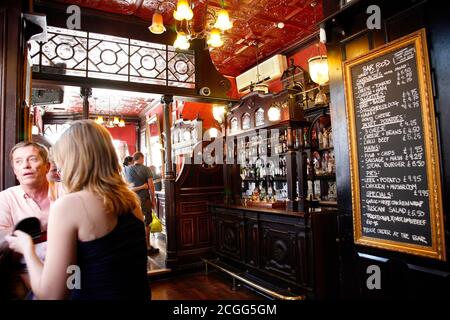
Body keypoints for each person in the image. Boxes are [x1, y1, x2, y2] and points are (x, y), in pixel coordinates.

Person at [6, 120, 149, 300]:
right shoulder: (130, 199)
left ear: (71, 161)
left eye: (60, 164)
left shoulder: (69, 206)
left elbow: (52, 295)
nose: (59, 172)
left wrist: (27, 248)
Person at [0, 142, 51, 299]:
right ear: (15, 171)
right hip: (22, 271)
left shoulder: (65, 193)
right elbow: (2, 238)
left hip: (66, 267)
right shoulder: (6, 198)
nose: (26, 166)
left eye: (32, 159)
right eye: (19, 162)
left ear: (47, 166)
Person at [124, 152, 159, 255]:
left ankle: (136, 246)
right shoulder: (146, 169)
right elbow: (151, 186)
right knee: (147, 222)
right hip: (144, 199)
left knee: (134, 222)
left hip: (131, 199)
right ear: (141, 158)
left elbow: (127, 187)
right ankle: (147, 246)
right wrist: (153, 199)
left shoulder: (126, 170)